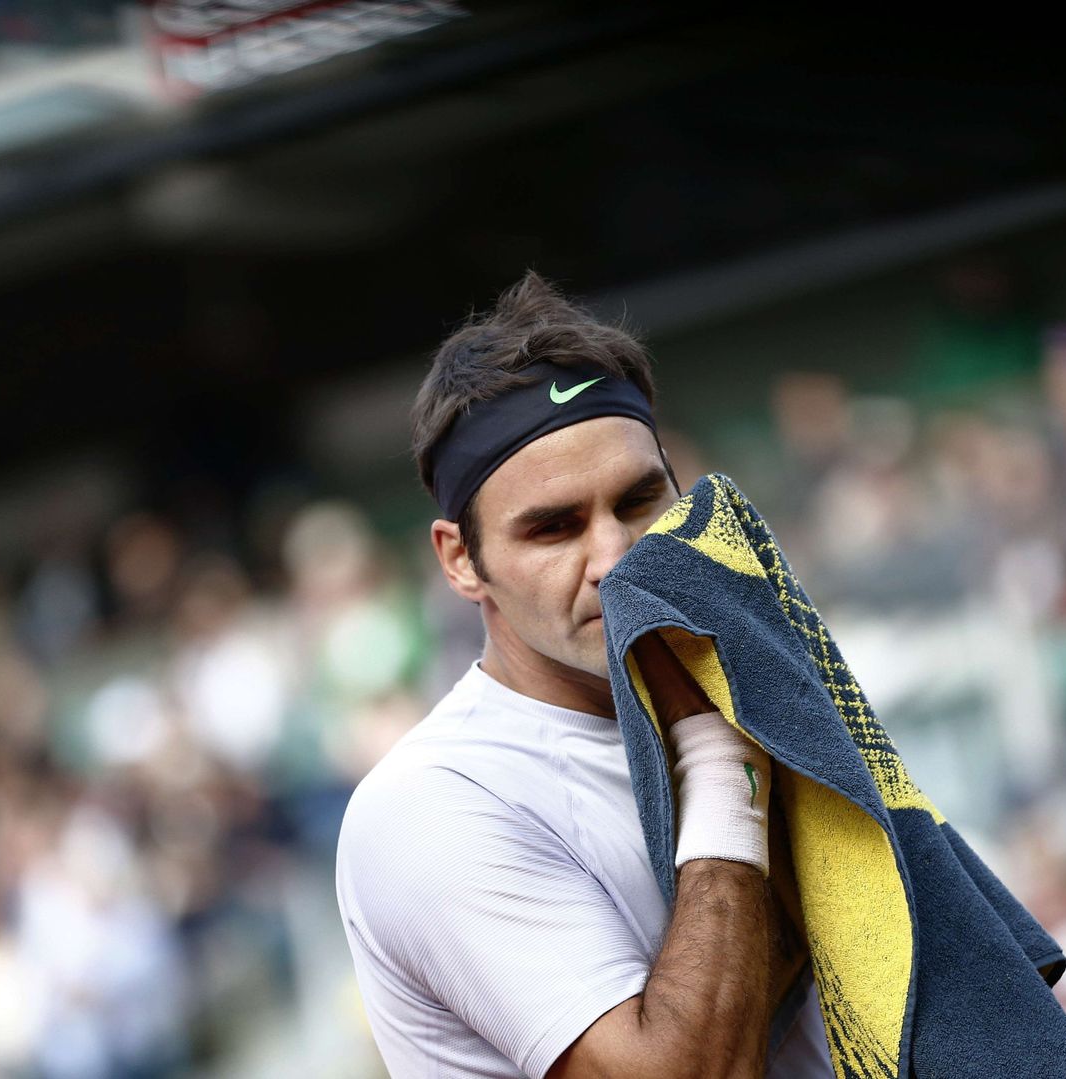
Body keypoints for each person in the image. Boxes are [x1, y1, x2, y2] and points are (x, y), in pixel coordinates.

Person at [335, 272, 836, 1078]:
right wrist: (719, 753)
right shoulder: (427, 806)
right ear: (460, 560)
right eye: (554, 527)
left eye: (639, 500)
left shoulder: (758, 681)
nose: (615, 556)